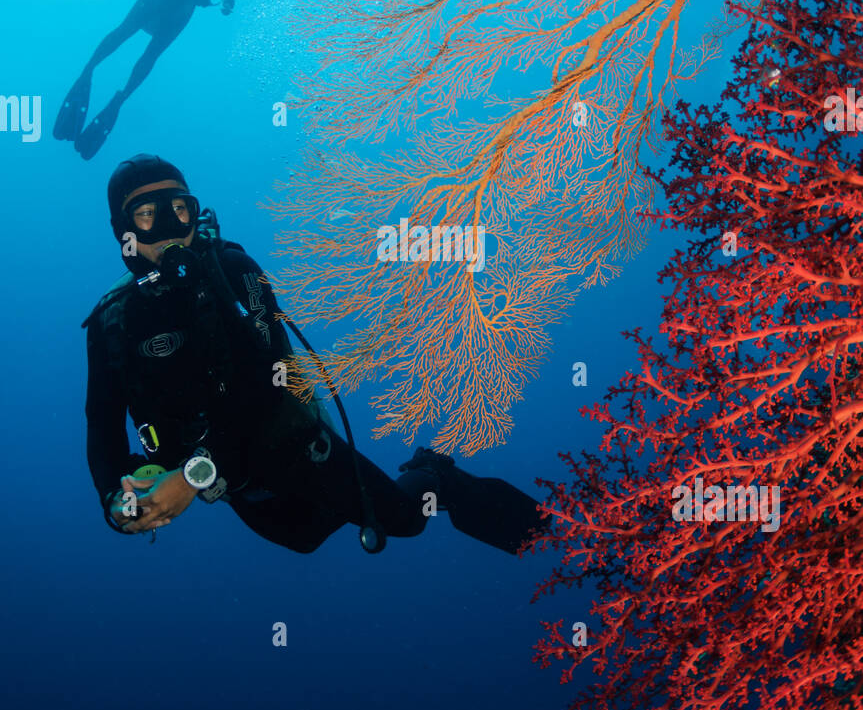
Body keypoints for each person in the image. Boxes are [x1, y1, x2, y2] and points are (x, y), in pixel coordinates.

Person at [83, 154, 543, 556]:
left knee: (401, 520)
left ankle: (433, 475)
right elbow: (101, 422)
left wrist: (190, 477)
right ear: (121, 231)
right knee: (304, 539)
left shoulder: (234, 271)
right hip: (234, 483)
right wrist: (113, 500)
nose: (168, 228)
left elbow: (269, 383)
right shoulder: (112, 321)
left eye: (180, 210)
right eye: (146, 215)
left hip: (296, 449)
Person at [54, 0, 236, 161]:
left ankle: (115, 93)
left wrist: (227, 4)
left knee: (140, 45)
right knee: (132, 39)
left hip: (176, 2)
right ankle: (93, 76)